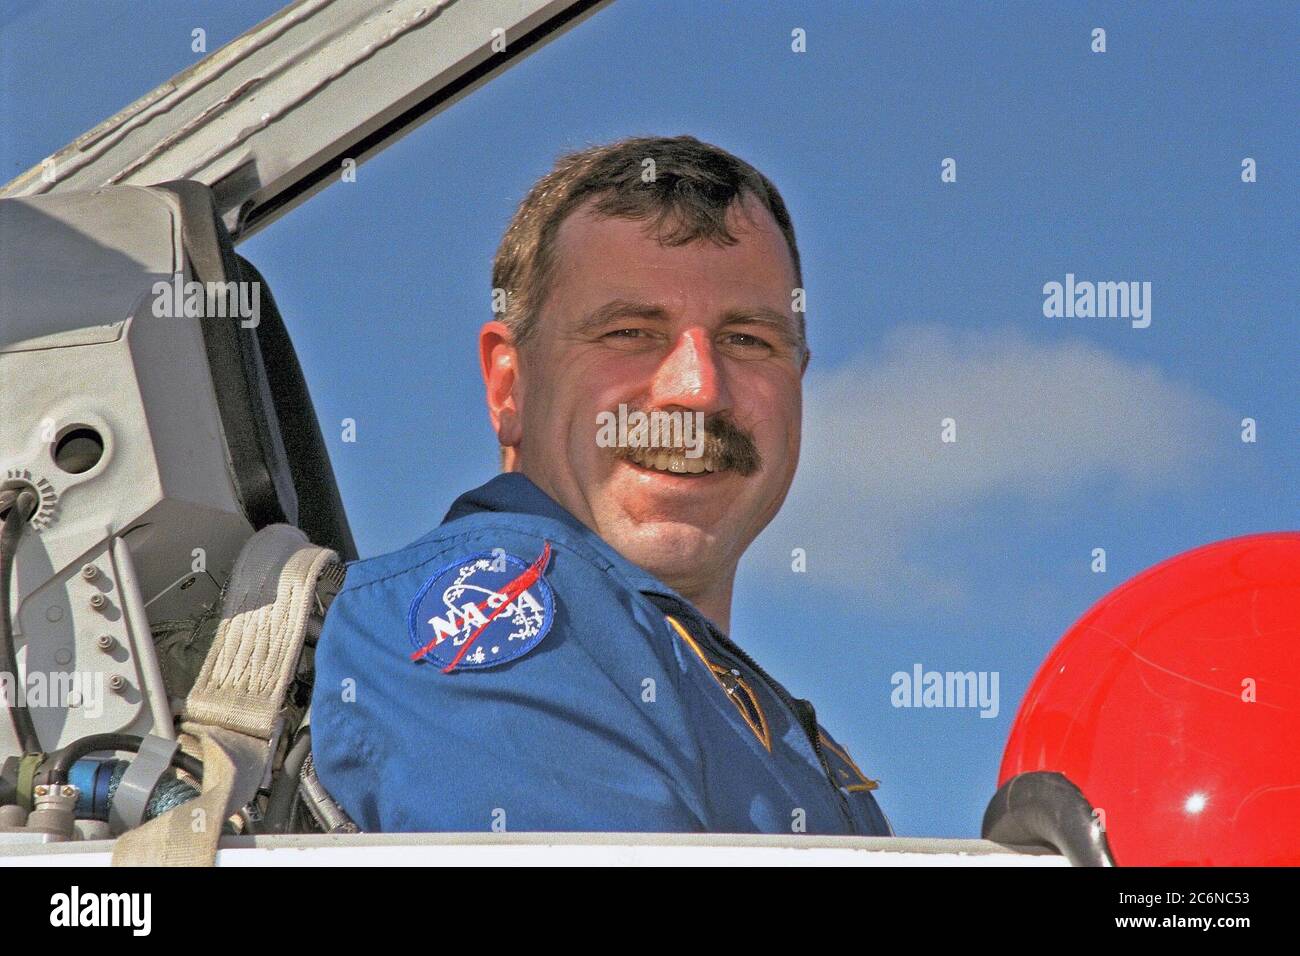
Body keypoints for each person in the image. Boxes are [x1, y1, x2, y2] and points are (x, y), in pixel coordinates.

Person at [310, 134, 891, 835]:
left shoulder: (784, 736)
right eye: (629, 332)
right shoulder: (494, 608)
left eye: (748, 340)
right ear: (509, 383)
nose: (699, 392)